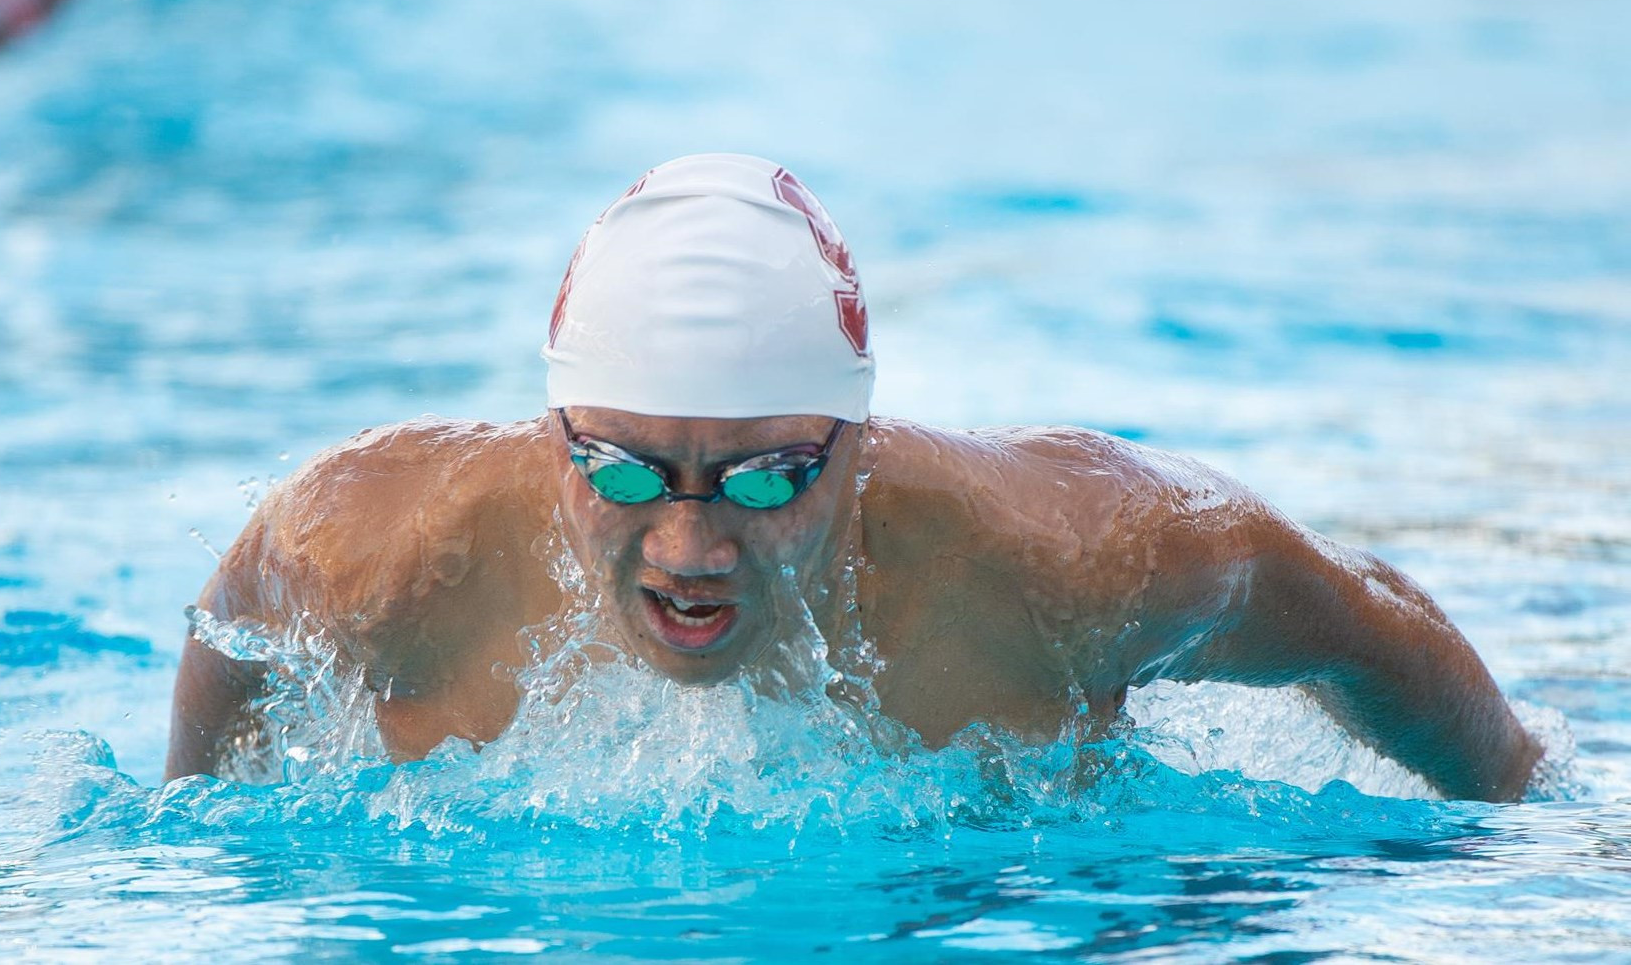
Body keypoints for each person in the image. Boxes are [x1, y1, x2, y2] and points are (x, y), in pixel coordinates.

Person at [165, 153, 1542, 801]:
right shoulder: (375, 543)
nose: (690, 547)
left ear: (857, 449)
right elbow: (226, 647)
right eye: (630, 475)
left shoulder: (1066, 558)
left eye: (763, 480)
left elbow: (1366, 620)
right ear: (556, 438)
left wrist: (1523, 843)